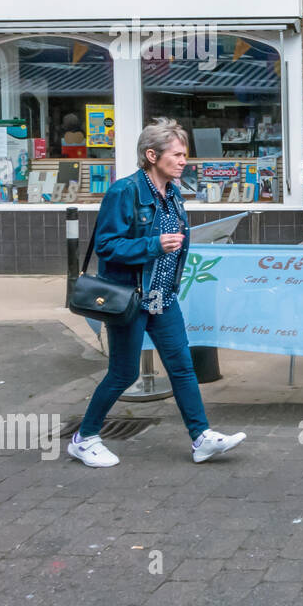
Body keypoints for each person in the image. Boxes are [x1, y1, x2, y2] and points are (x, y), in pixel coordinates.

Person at [68, 117, 246, 468]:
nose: (184, 161)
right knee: (124, 372)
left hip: (163, 297)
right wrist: (152, 245)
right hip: (131, 298)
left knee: (182, 367)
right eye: (177, 154)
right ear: (151, 155)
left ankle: (201, 438)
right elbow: (107, 245)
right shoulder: (125, 191)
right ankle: (83, 437)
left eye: (185, 155)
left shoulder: (173, 193)